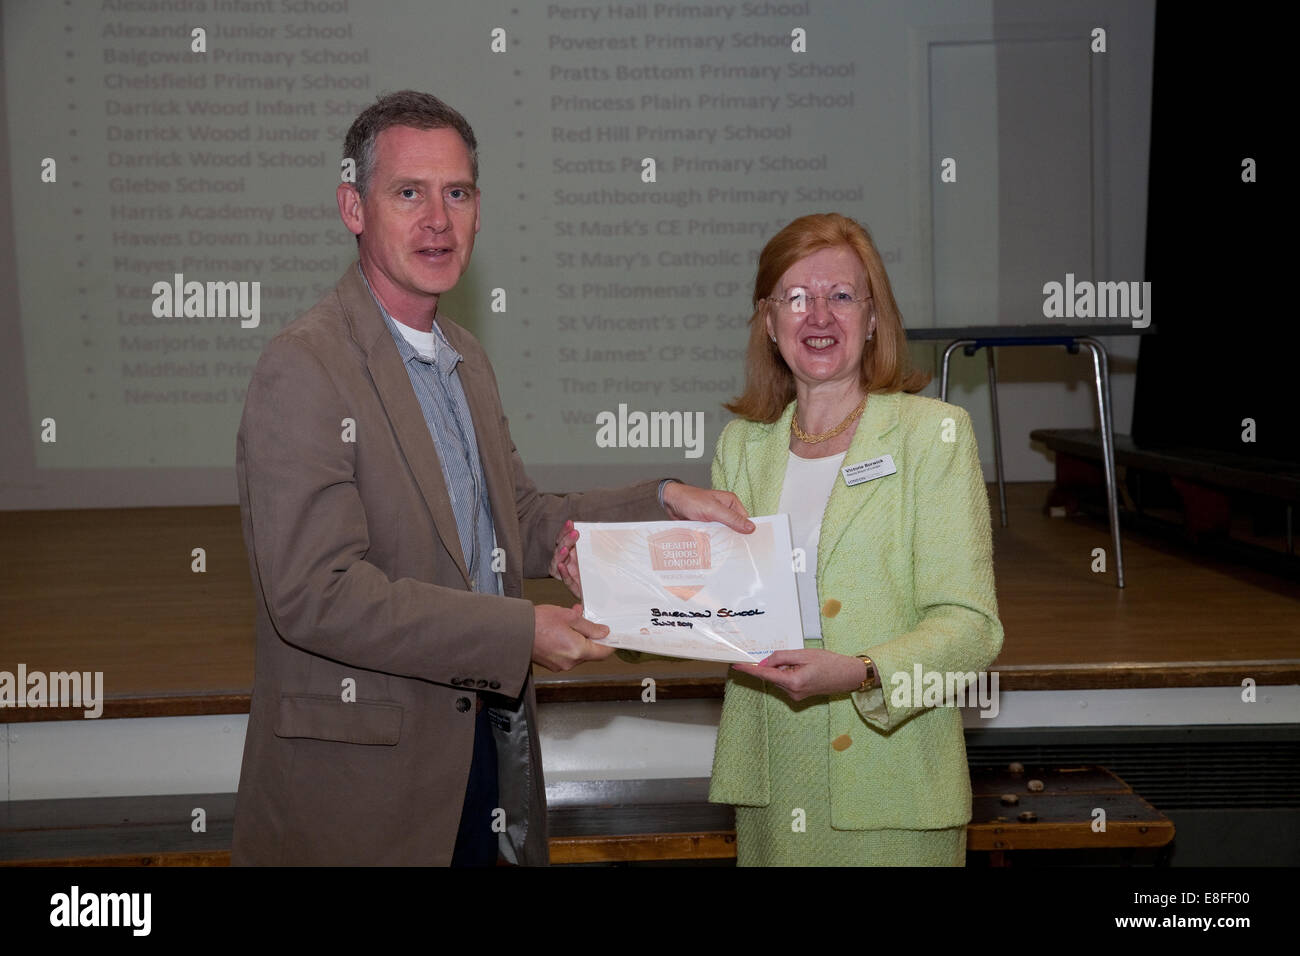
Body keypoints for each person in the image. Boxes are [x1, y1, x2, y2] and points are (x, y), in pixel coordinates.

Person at [231, 90, 750, 866]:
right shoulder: (304, 367)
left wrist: (663, 503)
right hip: (365, 797)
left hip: (481, 754)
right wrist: (520, 632)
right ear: (353, 208)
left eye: (458, 193)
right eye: (409, 193)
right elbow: (317, 593)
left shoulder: (463, 357)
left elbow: (519, 519)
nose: (438, 220)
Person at [556, 212, 1002, 865]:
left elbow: (972, 629)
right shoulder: (744, 447)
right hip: (773, 786)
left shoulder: (932, 434)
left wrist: (861, 672)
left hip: (894, 786)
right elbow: (715, 614)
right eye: (795, 297)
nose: (818, 315)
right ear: (768, 322)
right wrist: (614, 596)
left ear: (873, 318)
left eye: (841, 295)